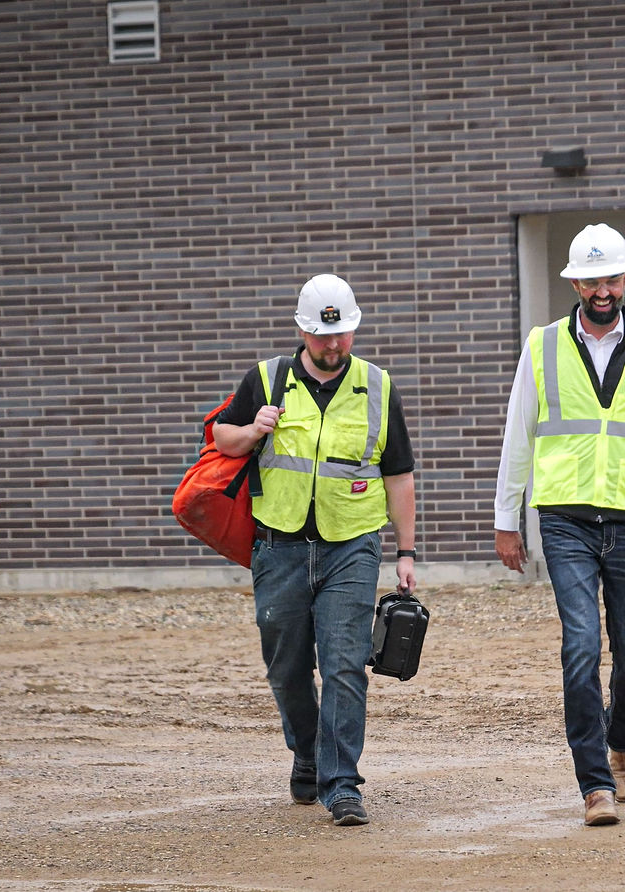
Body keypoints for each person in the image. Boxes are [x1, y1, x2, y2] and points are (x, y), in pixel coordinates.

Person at [494, 223, 625, 827]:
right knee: (582, 646)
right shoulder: (541, 347)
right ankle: (595, 784)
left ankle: (621, 741)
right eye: (592, 280)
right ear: (576, 283)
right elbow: (519, 436)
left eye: (612, 278)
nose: (603, 289)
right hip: (564, 520)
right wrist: (505, 519)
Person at [212, 273, 418, 827]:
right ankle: (307, 751)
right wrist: (254, 429)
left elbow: (398, 474)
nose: (334, 346)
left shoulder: (377, 386)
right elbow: (221, 439)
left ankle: (342, 783)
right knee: (287, 668)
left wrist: (406, 552)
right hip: (278, 545)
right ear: (303, 330)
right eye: (324, 336)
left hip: (351, 544)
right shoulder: (267, 379)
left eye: (343, 335)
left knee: (346, 664)